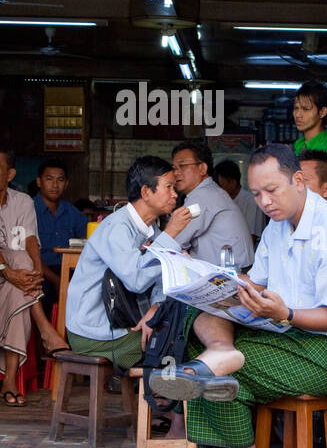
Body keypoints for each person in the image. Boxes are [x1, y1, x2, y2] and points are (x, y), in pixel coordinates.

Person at [151, 143, 327, 448]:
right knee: (195, 321)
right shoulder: (277, 227)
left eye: (272, 190)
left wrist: (283, 313)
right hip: (287, 333)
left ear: (299, 180)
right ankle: (221, 351)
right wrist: (222, 288)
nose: (264, 201)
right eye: (256, 194)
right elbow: (259, 282)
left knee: (225, 374)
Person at [64, 156, 192, 371]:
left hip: (126, 322)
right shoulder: (118, 227)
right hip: (95, 332)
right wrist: (171, 233)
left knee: (179, 330)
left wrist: (155, 306)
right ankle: (160, 401)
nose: (174, 194)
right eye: (168, 187)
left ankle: (163, 400)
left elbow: (163, 277)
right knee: (174, 340)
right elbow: (136, 280)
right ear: (145, 192)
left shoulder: (152, 230)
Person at [0, 151, 67, 406]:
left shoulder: (23, 201)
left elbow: (30, 240)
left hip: (14, 279)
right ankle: (45, 329)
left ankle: (10, 379)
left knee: (18, 281)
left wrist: (35, 271)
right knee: (16, 264)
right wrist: (11, 272)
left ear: (10, 175)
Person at [170, 140, 254, 270]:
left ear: (202, 168)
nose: (176, 173)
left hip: (231, 278)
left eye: (183, 166)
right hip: (233, 272)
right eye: (174, 168)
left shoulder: (203, 196)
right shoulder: (208, 192)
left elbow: (173, 240)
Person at [33, 157, 89, 320]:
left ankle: (76, 340)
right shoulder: (28, 208)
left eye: (60, 180)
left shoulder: (72, 212)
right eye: (49, 179)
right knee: (44, 293)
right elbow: (29, 254)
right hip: (39, 271)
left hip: (69, 270)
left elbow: (90, 238)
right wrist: (57, 280)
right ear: (39, 182)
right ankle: (45, 342)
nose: (55, 185)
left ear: (66, 184)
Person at [292, 79, 327, 164]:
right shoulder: (299, 145)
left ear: (322, 112)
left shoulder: (325, 151)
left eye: (305, 109)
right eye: (296, 108)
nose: (297, 115)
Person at [214, 159, 264, 242]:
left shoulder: (251, 201)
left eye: (221, 186)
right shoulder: (220, 200)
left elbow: (252, 236)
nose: (219, 190)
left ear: (233, 183)